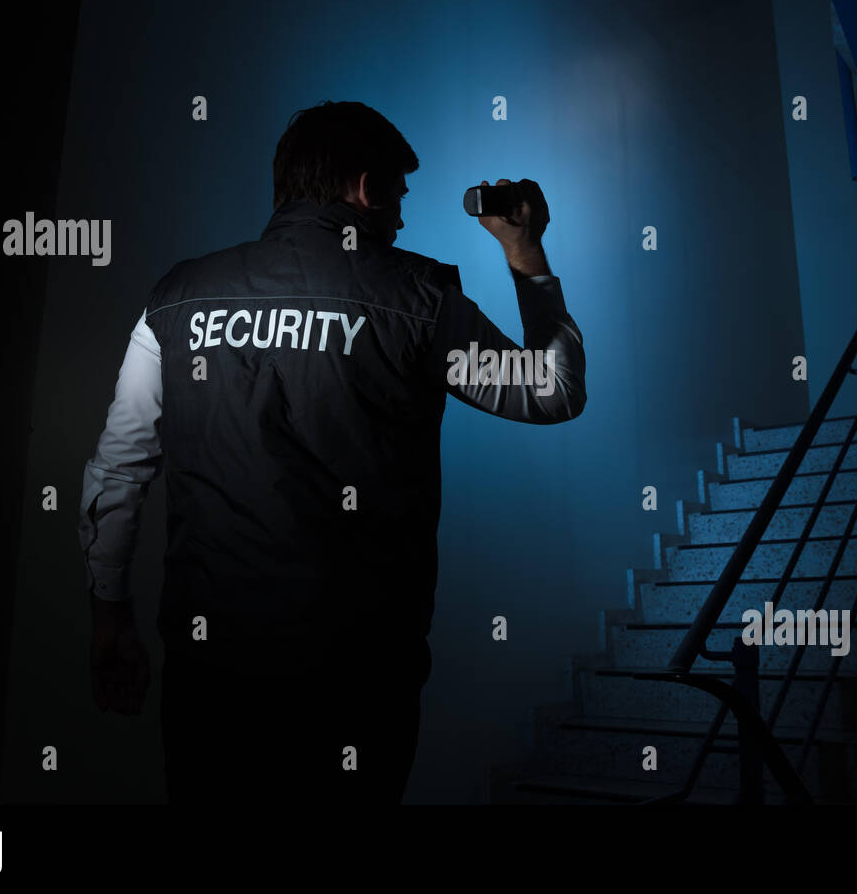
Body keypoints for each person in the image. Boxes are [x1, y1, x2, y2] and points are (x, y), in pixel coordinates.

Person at [77, 100, 587, 806]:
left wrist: (110, 619)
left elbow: (118, 470)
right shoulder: (418, 299)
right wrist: (526, 254)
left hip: (209, 669)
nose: (401, 220)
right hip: (356, 677)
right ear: (367, 189)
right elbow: (552, 392)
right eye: (398, 199)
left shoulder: (175, 298)